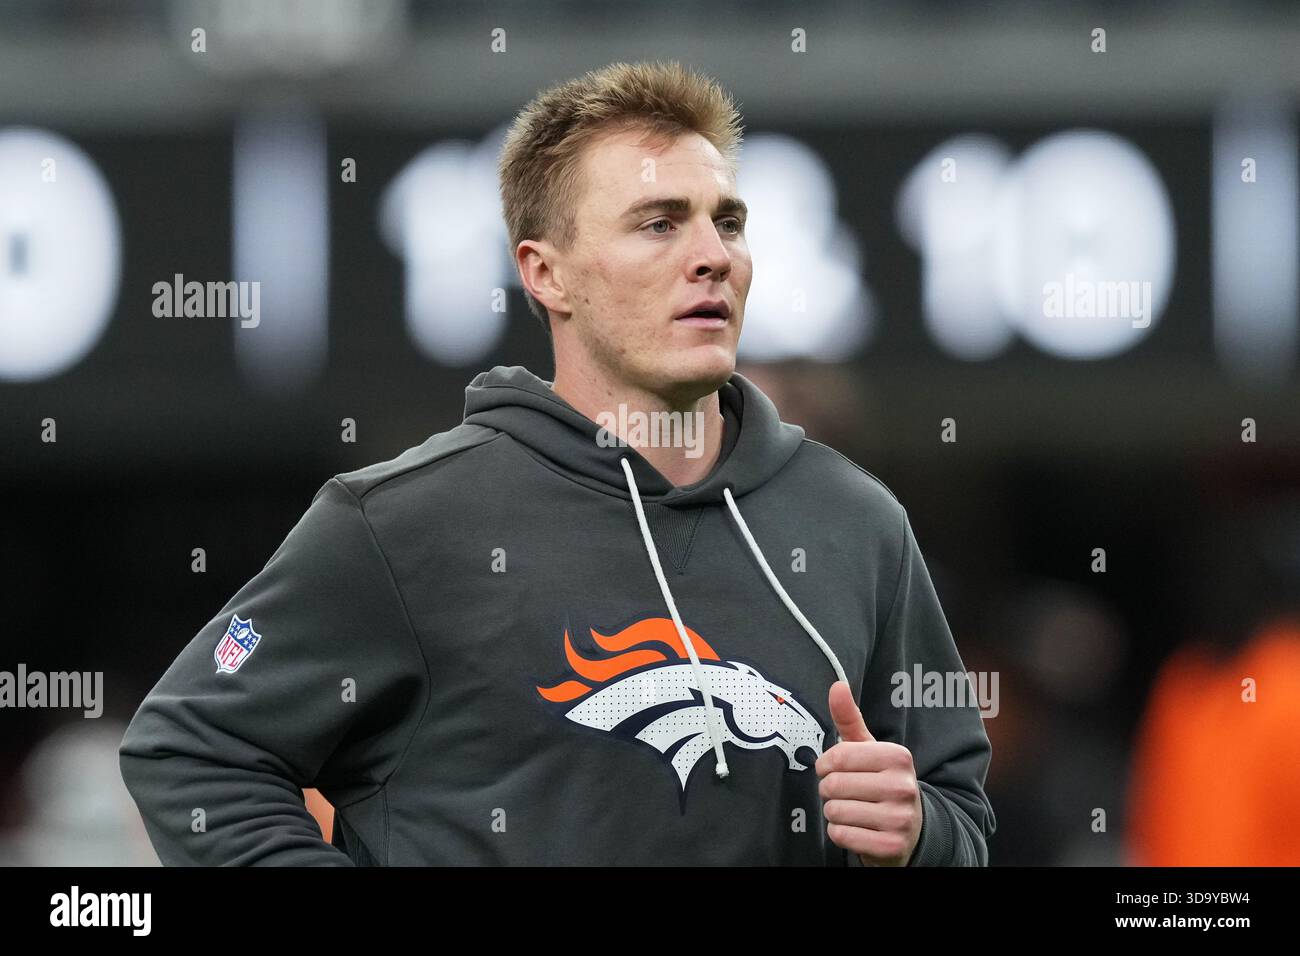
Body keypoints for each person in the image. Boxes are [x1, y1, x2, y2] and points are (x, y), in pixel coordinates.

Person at [119, 60, 995, 866]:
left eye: (725, 222)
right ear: (547, 275)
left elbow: (962, 811)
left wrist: (920, 833)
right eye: (659, 224)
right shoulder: (399, 522)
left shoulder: (857, 523)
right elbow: (192, 750)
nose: (712, 255)